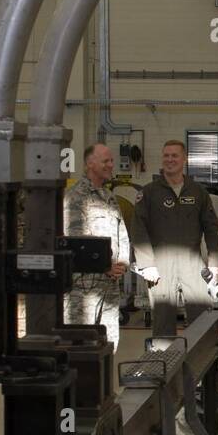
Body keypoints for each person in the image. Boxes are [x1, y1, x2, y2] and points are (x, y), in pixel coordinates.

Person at [131, 140, 218, 337]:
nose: (170, 160)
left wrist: (215, 263)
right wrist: (146, 265)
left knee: (203, 318)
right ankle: (163, 363)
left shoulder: (198, 192)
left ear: (184, 160)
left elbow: (212, 228)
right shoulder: (148, 193)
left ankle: (203, 365)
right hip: (160, 266)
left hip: (193, 263)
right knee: (163, 321)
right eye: (166, 156)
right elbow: (139, 230)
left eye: (174, 156)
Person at [63, 143, 130, 351]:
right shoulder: (75, 197)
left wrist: (122, 263)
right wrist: (103, 265)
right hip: (84, 291)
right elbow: (75, 243)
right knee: (81, 348)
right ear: (90, 164)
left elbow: (122, 233)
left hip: (109, 287)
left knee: (108, 346)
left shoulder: (109, 197)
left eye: (112, 161)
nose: (111, 165)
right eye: (106, 161)